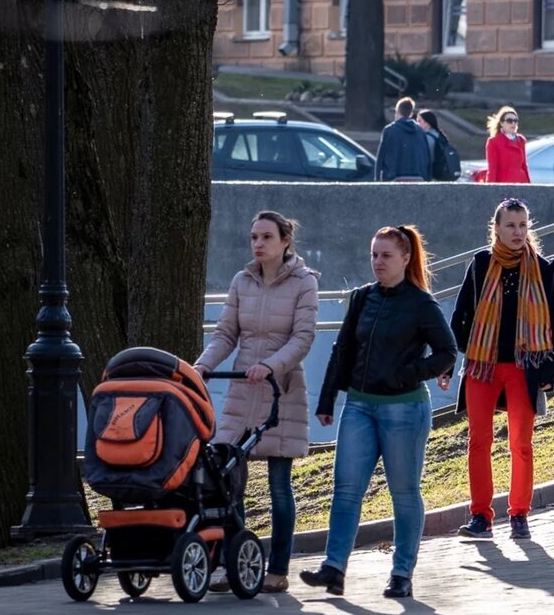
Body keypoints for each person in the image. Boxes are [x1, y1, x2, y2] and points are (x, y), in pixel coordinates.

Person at [300, 226, 457, 600]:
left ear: (405, 258)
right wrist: (326, 400)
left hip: (405, 409)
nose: (378, 262)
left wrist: (408, 373)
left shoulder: (421, 303)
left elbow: (447, 352)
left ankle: (402, 573)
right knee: (346, 489)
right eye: (373, 255)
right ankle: (334, 568)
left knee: (403, 493)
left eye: (386, 256)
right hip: (358, 405)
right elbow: (342, 350)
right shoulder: (361, 298)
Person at [195, 210, 319, 594]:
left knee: (279, 485)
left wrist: (270, 365)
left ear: (285, 241)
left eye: (266, 236)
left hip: (280, 391)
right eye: (254, 237)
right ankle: (235, 564)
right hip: (241, 390)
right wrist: (201, 366)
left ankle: (277, 569)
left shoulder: (304, 283)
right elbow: (225, 334)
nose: (258, 243)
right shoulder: (241, 281)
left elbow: (303, 337)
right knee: (227, 483)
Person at [450, 199, 554, 540]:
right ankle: (481, 515)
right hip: (482, 368)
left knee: (521, 443)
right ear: (496, 228)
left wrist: (546, 375)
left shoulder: (542, 268)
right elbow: (460, 318)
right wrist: (471, 351)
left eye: (523, 225)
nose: (517, 232)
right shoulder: (481, 263)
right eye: (510, 225)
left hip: (523, 369)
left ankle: (519, 515)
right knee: (478, 441)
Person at [376, 96, 433, 181]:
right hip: (418, 180)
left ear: (397, 112)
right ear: (411, 114)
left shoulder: (389, 131)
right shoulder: (421, 132)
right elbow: (427, 158)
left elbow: (380, 158)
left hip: (393, 180)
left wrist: (377, 179)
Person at [484, 105, 531, 183]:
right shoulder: (494, 142)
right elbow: (492, 169)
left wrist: (529, 186)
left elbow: (524, 165)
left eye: (515, 120)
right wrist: (490, 189)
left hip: (521, 182)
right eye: (509, 120)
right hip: (503, 182)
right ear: (502, 123)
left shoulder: (521, 140)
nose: (513, 123)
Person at [417, 109, 461, 182]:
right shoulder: (439, 135)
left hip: (433, 176)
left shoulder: (428, 138)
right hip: (442, 174)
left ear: (426, 123)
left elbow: (427, 160)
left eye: (419, 121)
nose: (417, 123)